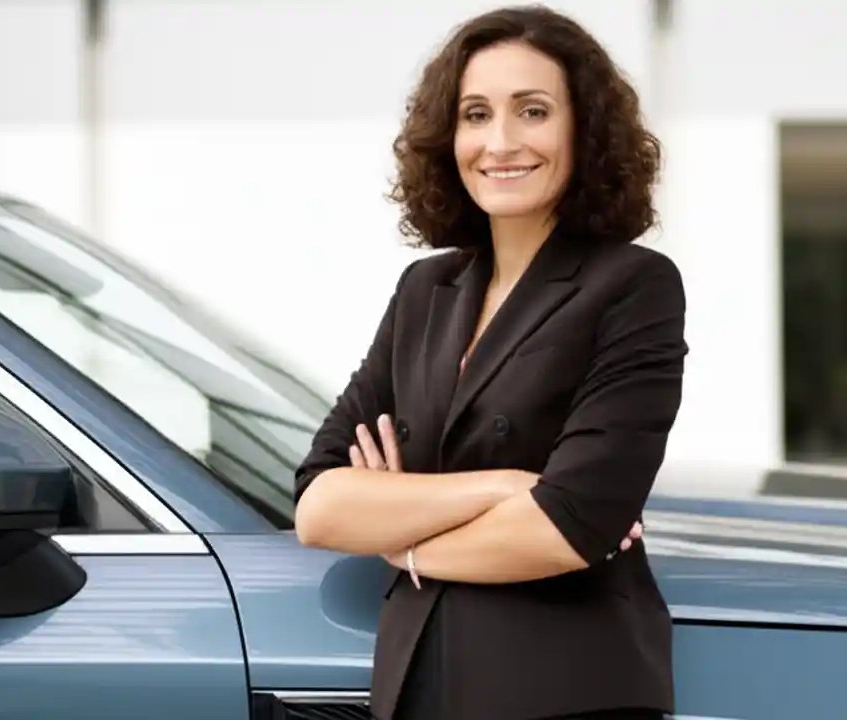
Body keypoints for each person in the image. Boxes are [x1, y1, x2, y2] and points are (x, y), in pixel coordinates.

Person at [293, 5, 687, 719]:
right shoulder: (425, 291)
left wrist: (403, 543)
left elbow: (570, 525)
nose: (500, 142)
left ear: (584, 128)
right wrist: (508, 486)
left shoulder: (634, 286)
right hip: (417, 681)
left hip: (563, 689)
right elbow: (321, 507)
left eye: (532, 111)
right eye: (476, 115)